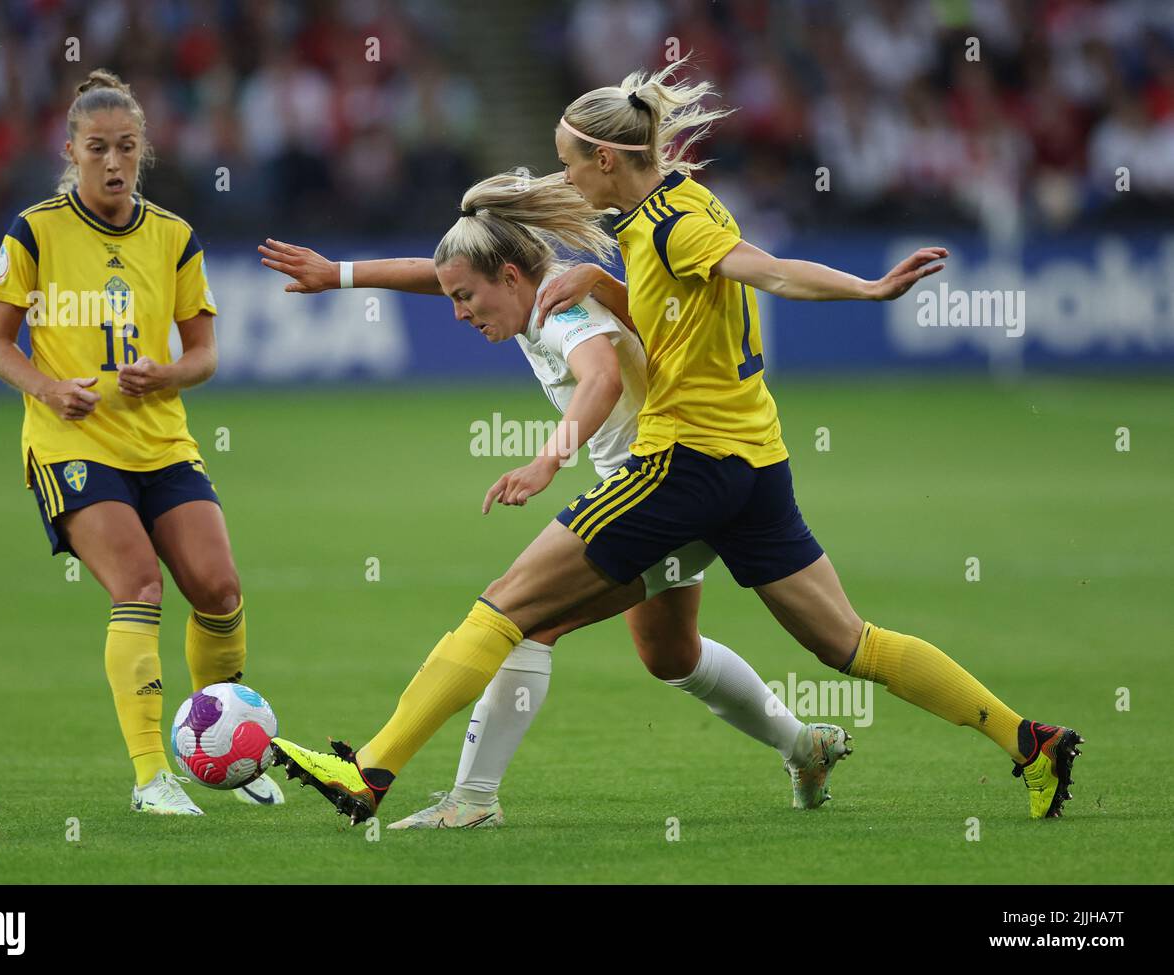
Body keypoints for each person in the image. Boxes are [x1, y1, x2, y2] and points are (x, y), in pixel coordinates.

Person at [272, 61, 1081, 824]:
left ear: (606, 159)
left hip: (681, 464)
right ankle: (1027, 740)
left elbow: (762, 269)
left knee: (507, 606)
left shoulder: (674, 225)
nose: (564, 181)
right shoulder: (664, 211)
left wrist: (865, 288)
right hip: (755, 464)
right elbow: (658, 311)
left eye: (569, 164)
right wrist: (600, 281)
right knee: (842, 642)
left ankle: (371, 770)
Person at [259, 171, 849, 828]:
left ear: (510, 276)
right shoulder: (528, 288)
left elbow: (600, 377)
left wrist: (548, 459)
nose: (458, 312)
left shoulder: (561, 311)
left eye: (465, 298)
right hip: (693, 485)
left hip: (665, 488)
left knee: (520, 619)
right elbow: (439, 274)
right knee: (670, 653)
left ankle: (438, 789)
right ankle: (804, 746)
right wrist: (338, 274)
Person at [0, 69, 283, 814]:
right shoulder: (34, 231)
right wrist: (49, 388)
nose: (113, 163)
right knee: (140, 584)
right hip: (72, 445)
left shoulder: (173, 237)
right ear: (71, 151)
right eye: (98, 149)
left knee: (219, 589)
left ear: (143, 150)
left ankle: (223, 750)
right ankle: (151, 777)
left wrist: (168, 374)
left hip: (162, 442)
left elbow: (204, 354)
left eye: (126, 147)